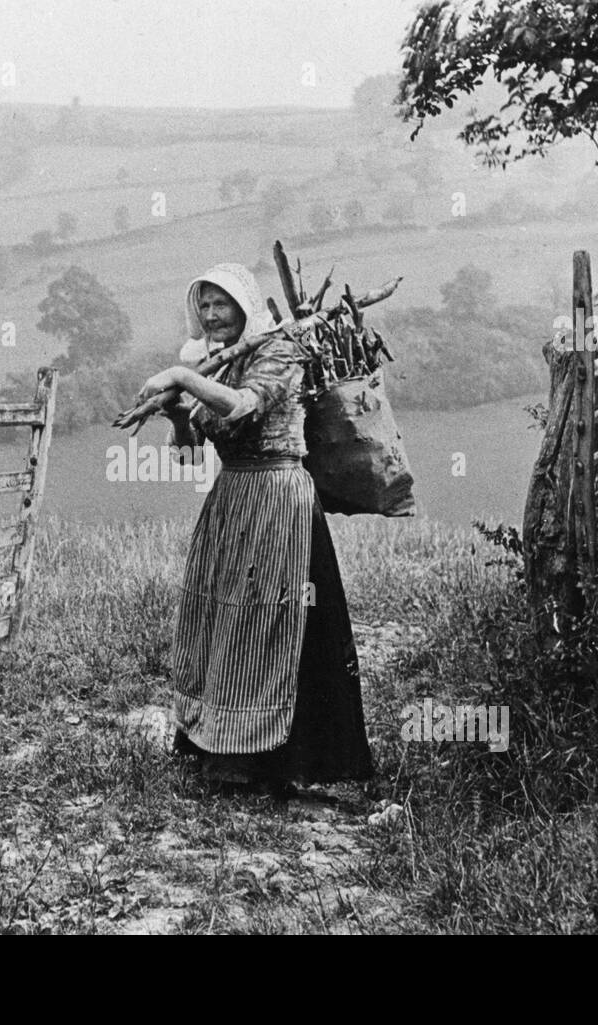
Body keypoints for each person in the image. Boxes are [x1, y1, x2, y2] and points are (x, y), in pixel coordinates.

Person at [135, 262, 374, 798]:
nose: (213, 314)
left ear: (246, 306)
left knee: (275, 621)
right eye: (205, 305)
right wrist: (176, 413)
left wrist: (179, 378)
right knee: (222, 615)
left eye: (223, 304)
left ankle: (282, 759)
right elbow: (191, 453)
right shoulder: (215, 365)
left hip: (277, 498)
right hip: (232, 497)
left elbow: (246, 405)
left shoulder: (280, 352)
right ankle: (220, 747)